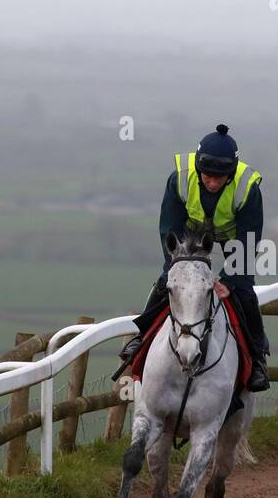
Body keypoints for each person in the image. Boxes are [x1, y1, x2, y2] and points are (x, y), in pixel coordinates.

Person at [114, 124, 270, 391]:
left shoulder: (248, 189)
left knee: (243, 292)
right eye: (207, 176)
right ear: (199, 169)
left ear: (230, 175)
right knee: (168, 282)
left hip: (234, 236)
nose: (211, 182)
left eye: (219, 179)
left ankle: (257, 360)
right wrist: (176, 266)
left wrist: (229, 281)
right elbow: (169, 228)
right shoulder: (180, 179)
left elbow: (248, 241)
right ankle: (141, 337)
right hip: (190, 231)